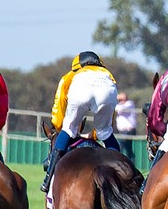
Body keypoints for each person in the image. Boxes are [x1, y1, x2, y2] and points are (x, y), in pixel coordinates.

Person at [43, 51, 122, 197]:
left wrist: (59, 125)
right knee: (106, 132)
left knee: (69, 129)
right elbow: (111, 116)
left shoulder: (72, 74)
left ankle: (48, 178)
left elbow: (60, 100)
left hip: (82, 89)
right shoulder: (107, 73)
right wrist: (95, 134)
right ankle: (121, 176)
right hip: (107, 89)